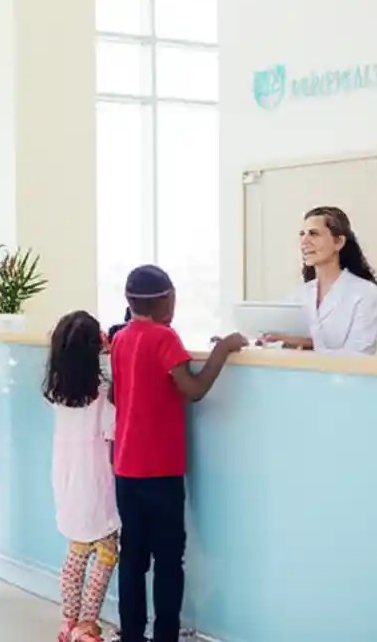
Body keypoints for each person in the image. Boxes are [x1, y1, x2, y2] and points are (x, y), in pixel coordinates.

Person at [110, 265, 247, 642]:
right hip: (161, 471)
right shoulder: (164, 337)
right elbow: (194, 388)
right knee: (169, 560)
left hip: (125, 468)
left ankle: (132, 634)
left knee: (133, 558)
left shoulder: (121, 338)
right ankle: (165, 635)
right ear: (168, 300)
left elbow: (116, 394)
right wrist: (223, 348)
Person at [44, 311, 119, 642]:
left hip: (67, 480)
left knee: (76, 551)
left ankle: (68, 621)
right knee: (105, 550)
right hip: (97, 482)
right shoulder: (102, 394)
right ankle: (87, 625)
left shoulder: (58, 391)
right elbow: (113, 429)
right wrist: (111, 355)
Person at [261, 205, 377, 355]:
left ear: (338, 242)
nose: (304, 242)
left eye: (314, 234)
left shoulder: (365, 293)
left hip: (343, 378)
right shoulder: (297, 296)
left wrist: (308, 344)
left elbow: (360, 354)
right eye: (302, 234)